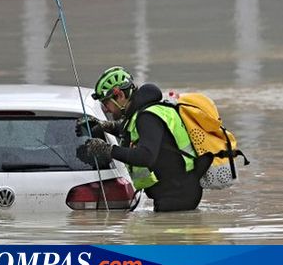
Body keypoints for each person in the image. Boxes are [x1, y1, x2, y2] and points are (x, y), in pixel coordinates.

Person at [75, 66, 209, 212]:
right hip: (179, 192)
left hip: (176, 197)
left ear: (119, 95)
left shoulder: (147, 117)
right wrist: (104, 126)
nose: (106, 110)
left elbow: (145, 156)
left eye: (106, 103)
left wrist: (108, 150)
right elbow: (131, 132)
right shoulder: (145, 112)